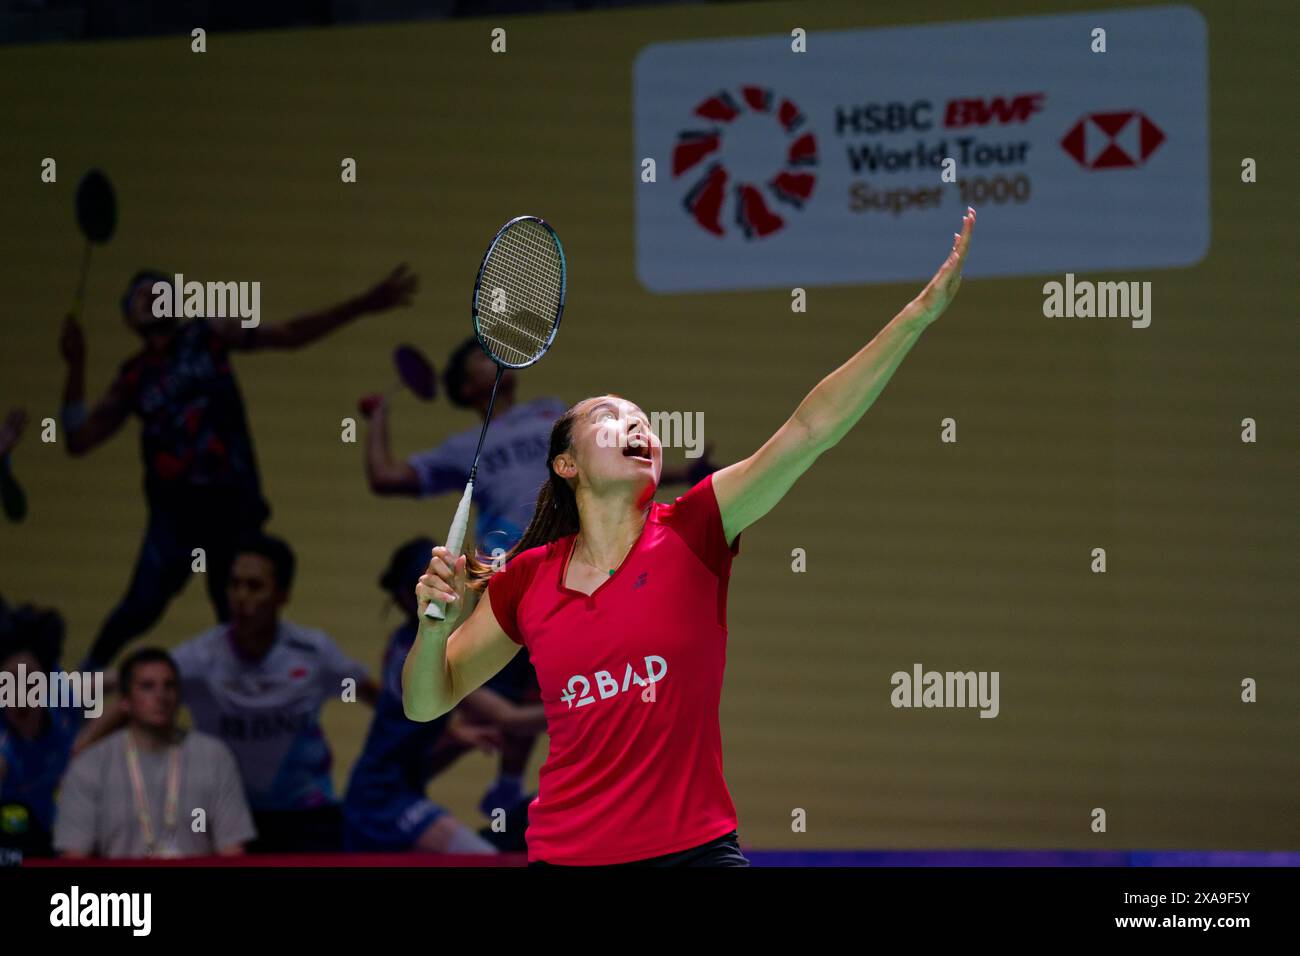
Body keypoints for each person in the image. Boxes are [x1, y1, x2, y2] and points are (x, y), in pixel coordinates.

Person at [403, 209, 977, 866]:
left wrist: (919, 316)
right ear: (566, 465)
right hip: (570, 858)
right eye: (611, 419)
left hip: (694, 853)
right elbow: (426, 701)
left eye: (644, 421)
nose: (638, 427)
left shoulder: (695, 530)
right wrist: (433, 629)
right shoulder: (526, 581)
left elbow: (809, 431)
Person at [361, 336, 715, 816]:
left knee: (550, 683)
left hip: (585, 555)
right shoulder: (463, 447)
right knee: (492, 693)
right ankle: (437, 786)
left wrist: (680, 473)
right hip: (517, 567)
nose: (496, 356)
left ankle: (509, 783)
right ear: (466, 387)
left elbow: (614, 465)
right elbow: (385, 477)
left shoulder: (550, 411)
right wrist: (378, 416)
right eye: (480, 358)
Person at [63, 264, 418, 671]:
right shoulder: (133, 379)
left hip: (231, 507)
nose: (147, 297)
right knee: (139, 608)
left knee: (238, 615)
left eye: (156, 290)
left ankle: (247, 712)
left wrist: (362, 304)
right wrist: (76, 365)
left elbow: (287, 336)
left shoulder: (209, 335)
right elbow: (77, 439)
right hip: (174, 517)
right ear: (128, 316)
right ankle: (80, 685)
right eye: (137, 295)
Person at [168, 533, 379, 852]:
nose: (240, 596)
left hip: (307, 817)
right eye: (234, 584)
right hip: (228, 822)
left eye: (254, 586)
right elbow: (129, 689)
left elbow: (387, 704)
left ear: (282, 595)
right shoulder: (199, 658)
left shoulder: (314, 653)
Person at [342, 537, 547, 854]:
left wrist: (455, 736)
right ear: (407, 593)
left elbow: (408, 733)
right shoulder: (419, 657)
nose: (442, 586)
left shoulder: (404, 640)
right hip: (381, 798)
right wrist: (579, 704)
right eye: (429, 578)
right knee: (487, 860)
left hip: (395, 791)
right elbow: (510, 718)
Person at [53, 647, 255, 859]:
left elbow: (232, 852)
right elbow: (74, 856)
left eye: (169, 686)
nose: (161, 696)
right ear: (125, 701)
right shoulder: (90, 765)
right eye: (147, 687)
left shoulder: (214, 758)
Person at [0, 601, 103, 856]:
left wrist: (84, 742)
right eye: (6, 682)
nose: (17, 694)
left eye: (28, 682)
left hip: (49, 839)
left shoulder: (64, 700)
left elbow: (121, 687)